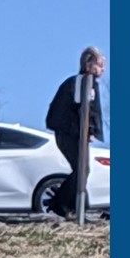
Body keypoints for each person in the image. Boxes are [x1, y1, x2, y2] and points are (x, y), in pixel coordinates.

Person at [45, 46, 106, 218]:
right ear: (88, 65)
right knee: (82, 169)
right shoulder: (82, 82)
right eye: (100, 65)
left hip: (75, 133)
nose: (103, 69)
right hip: (69, 132)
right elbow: (85, 109)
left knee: (82, 170)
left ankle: (70, 205)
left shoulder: (87, 83)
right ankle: (61, 203)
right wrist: (89, 129)